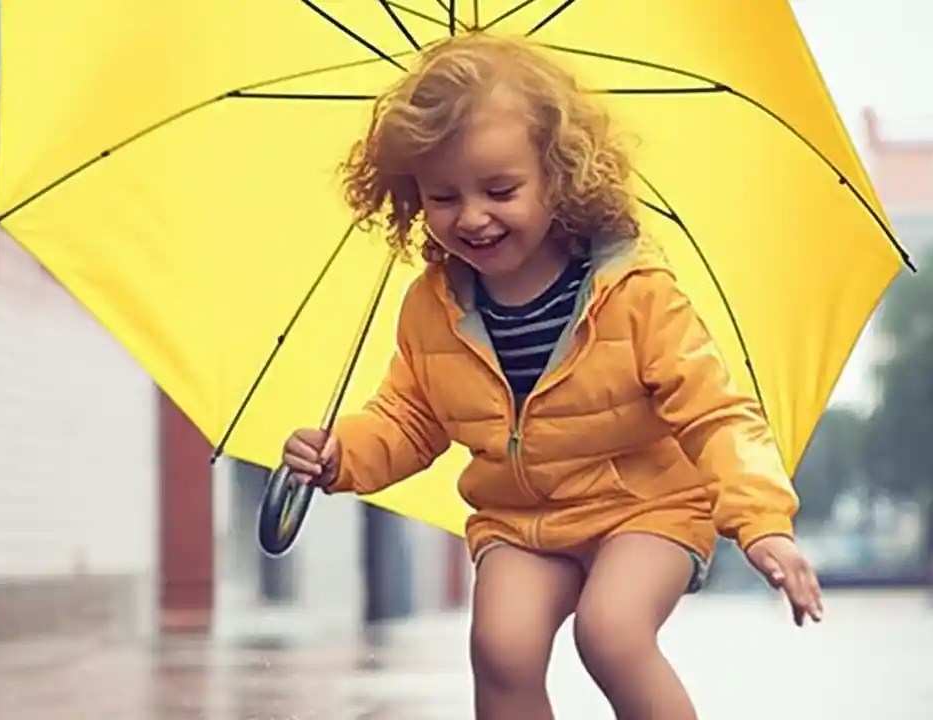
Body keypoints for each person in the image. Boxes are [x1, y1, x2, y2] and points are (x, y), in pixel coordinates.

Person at [281, 33, 823, 720]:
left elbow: (715, 412)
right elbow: (409, 420)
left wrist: (762, 522)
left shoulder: (635, 294)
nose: (472, 216)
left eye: (500, 190)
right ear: (411, 194)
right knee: (500, 648)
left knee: (611, 633)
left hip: (645, 509)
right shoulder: (431, 306)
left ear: (559, 177)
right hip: (521, 519)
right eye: (443, 196)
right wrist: (343, 454)